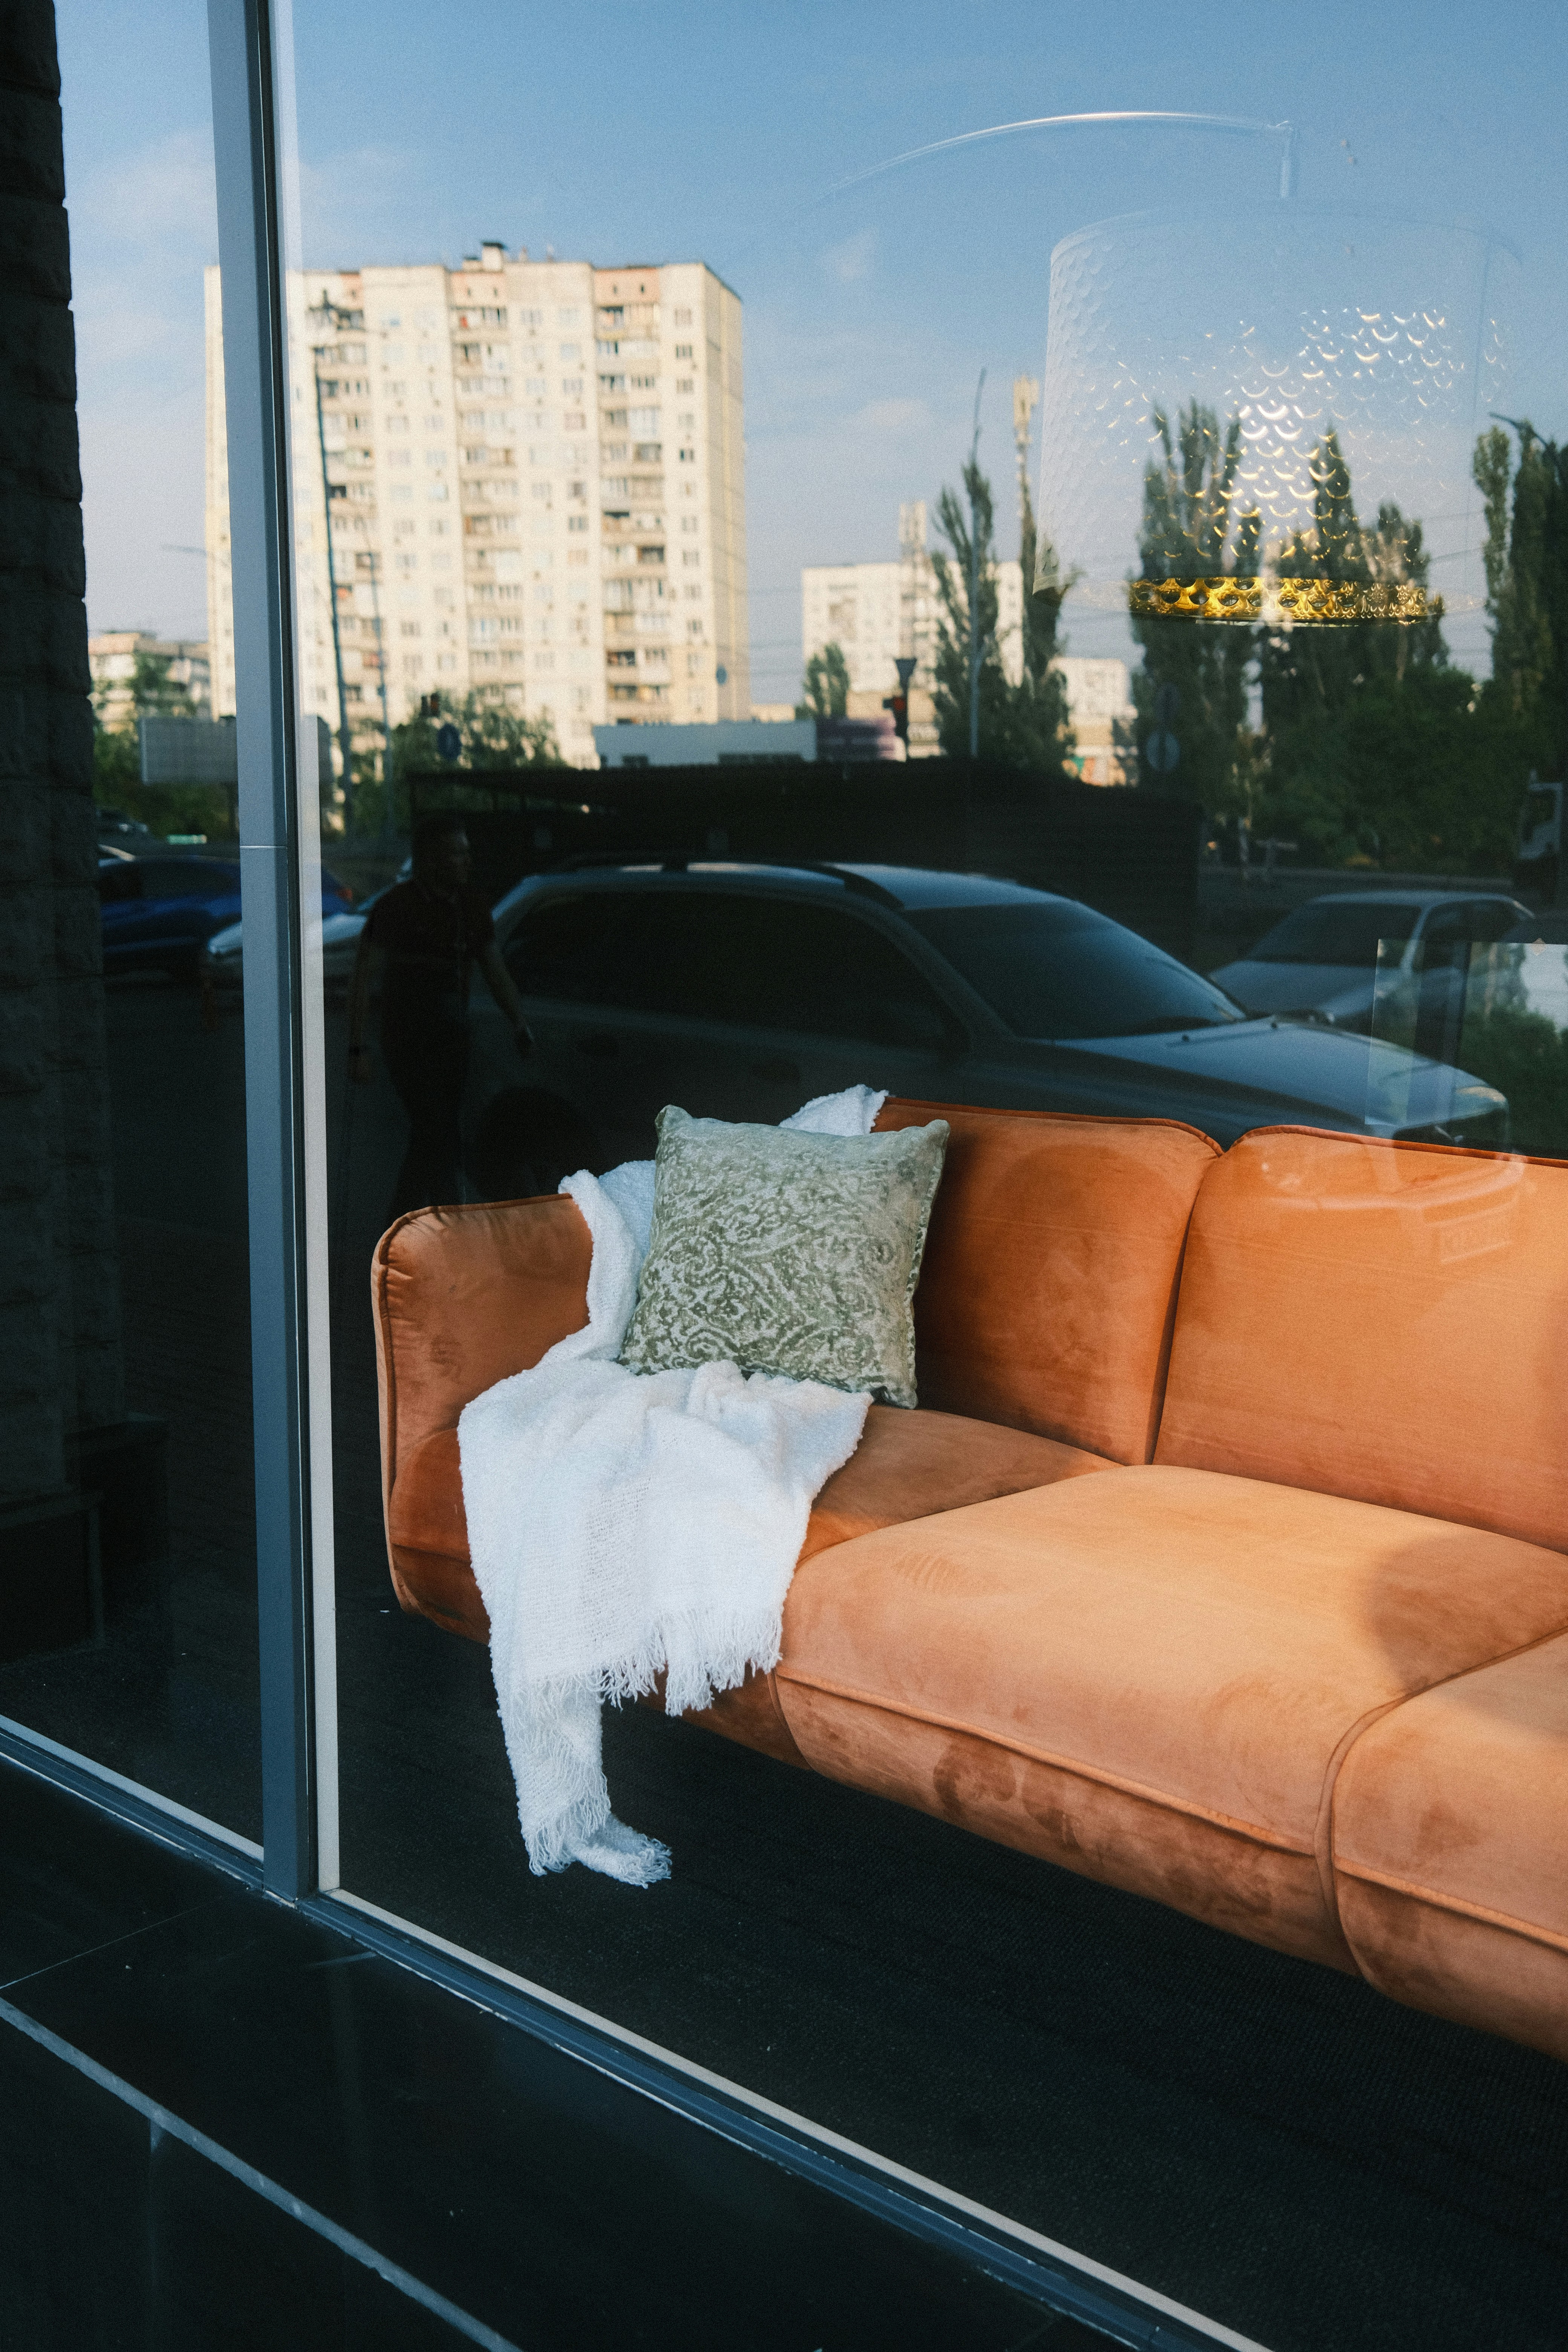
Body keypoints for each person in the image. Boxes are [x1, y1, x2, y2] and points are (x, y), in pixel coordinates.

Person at [348, 813, 532, 1220]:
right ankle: (446, 1220)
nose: (467, 861)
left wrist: (517, 1020)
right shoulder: (394, 908)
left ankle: (405, 1224)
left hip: (452, 1039)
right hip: (407, 1042)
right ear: (430, 860)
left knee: (434, 1134)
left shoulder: (471, 905)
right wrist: (358, 1048)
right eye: (457, 854)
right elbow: (363, 977)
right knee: (437, 1130)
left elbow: (493, 966)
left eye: (467, 852)